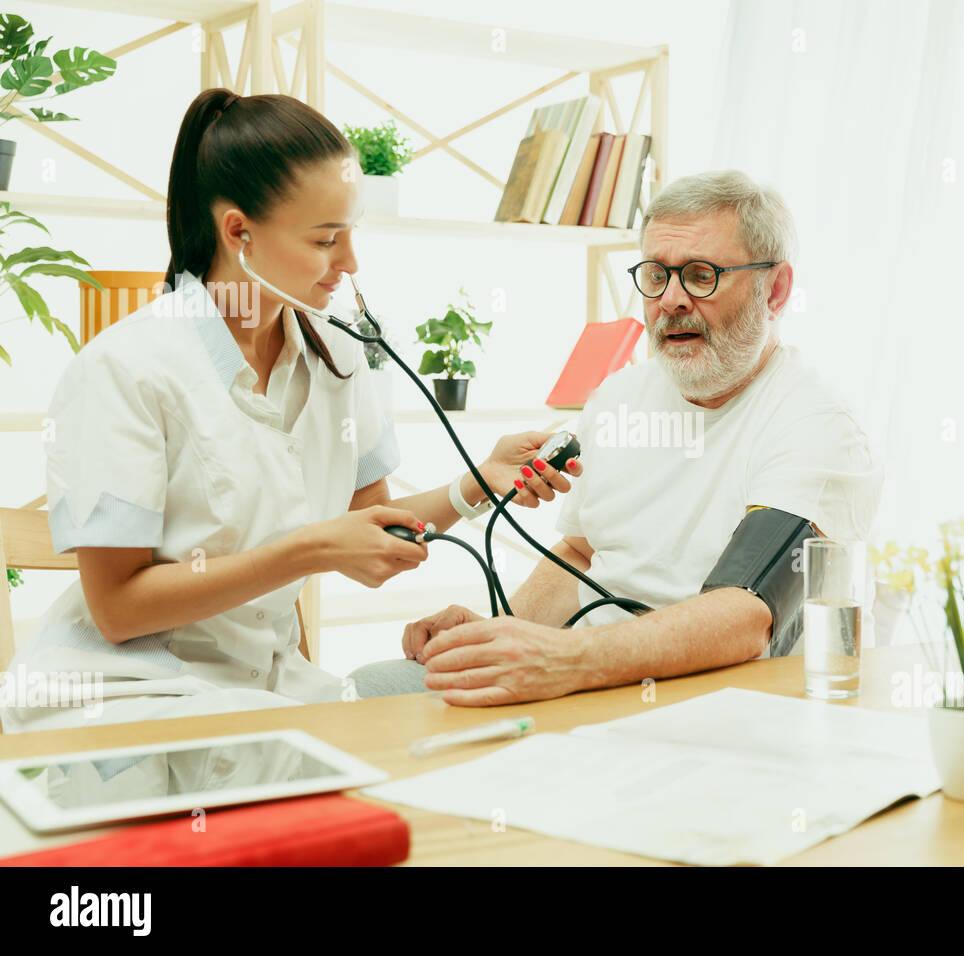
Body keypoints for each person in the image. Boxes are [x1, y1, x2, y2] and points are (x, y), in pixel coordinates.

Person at [0, 88, 576, 734]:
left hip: (273, 694)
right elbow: (116, 609)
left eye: (350, 234)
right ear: (239, 232)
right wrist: (307, 551)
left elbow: (366, 525)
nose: (350, 263)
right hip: (131, 694)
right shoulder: (124, 370)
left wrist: (476, 484)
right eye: (327, 239)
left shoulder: (337, 357)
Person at [349, 170, 881, 705]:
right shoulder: (619, 398)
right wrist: (499, 632)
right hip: (591, 675)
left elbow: (747, 611)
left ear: (777, 289)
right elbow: (582, 553)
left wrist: (566, 660)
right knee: (369, 694)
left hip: (714, 699)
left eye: (701, 275)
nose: (671, 300)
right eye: (656, 274)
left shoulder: (816, 427)